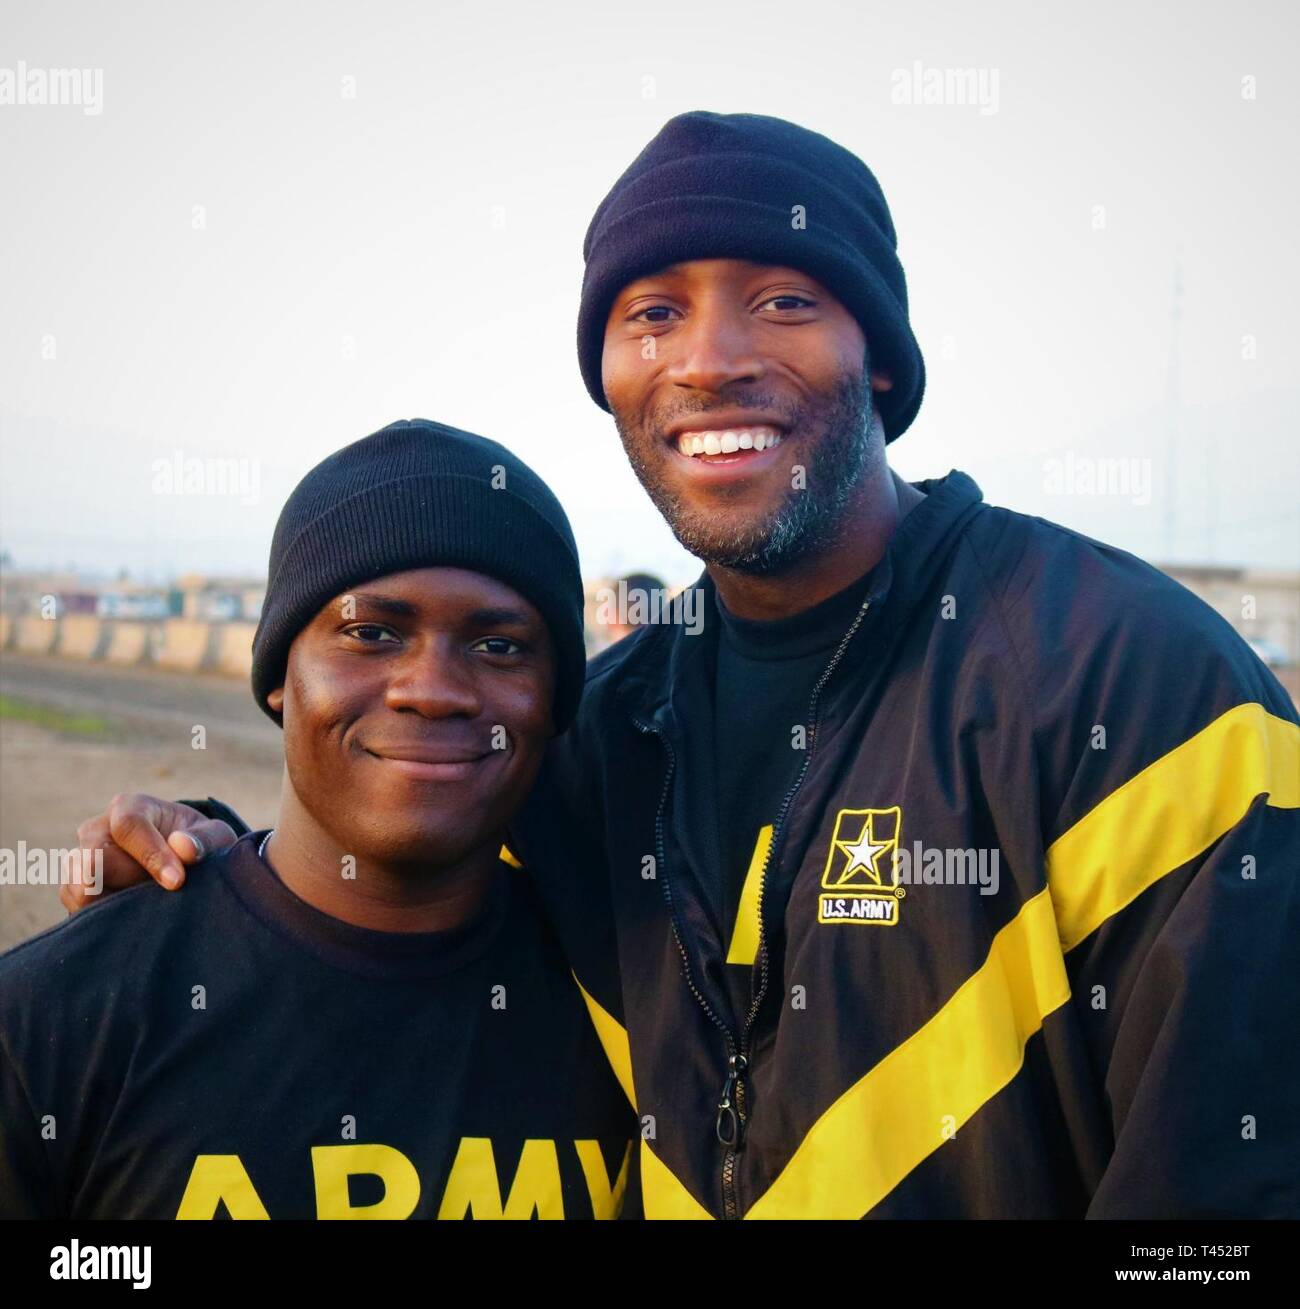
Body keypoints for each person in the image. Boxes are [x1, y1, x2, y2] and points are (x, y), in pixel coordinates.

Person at [63, 113, 1300, 1218]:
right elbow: (401, 913)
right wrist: (208, 879)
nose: (706, 359)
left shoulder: (1132, 687)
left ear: (879, 355)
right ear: (608, 377)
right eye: (650, 313)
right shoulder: (590, 738)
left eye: (782, 301)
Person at [0, 420, 637, 1219]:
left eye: (500, 646)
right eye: (371, 632)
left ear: (555, 701)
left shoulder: (632, 1000)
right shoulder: (53, 1019)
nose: (431, 688)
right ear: (279, 673)